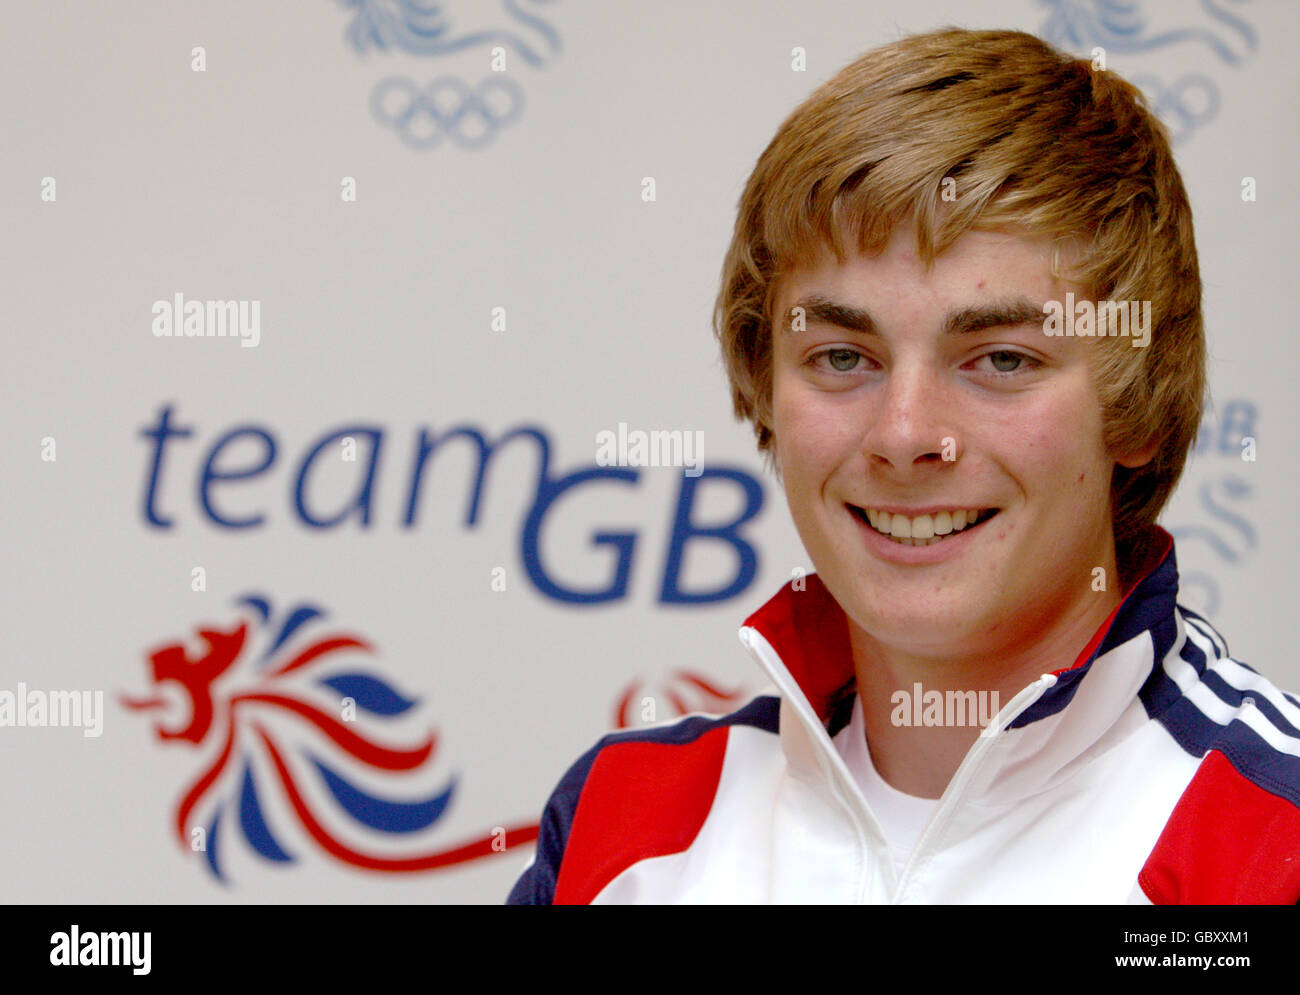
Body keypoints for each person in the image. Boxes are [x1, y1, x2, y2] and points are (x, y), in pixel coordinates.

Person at [506, 27, 1300, 904]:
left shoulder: (1273, 837)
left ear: (1135, 406)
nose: (905, 431)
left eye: (1001, 359)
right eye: (844, 357)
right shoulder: (618, 825)